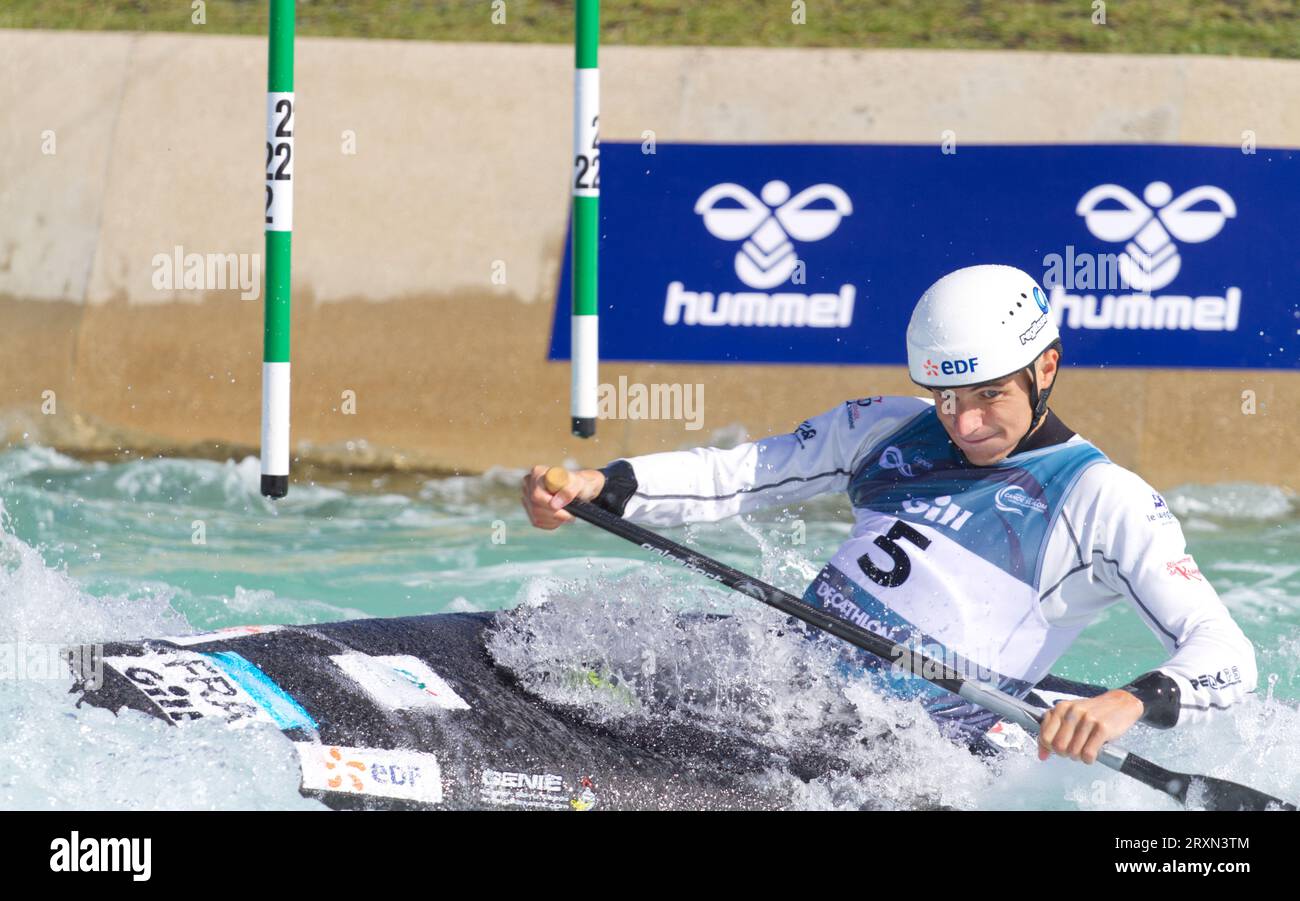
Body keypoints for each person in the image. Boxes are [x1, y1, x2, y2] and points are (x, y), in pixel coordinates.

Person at [522, 264, 1257, 766]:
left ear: (1047, 368)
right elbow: (741, 474)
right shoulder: (888, 427)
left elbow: (1227, 653)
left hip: (898, 758)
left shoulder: (1102, 499)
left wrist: (1131, 700)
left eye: (989, 396)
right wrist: (602, 483)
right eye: (946, 396)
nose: (962, 424)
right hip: (776, 686)